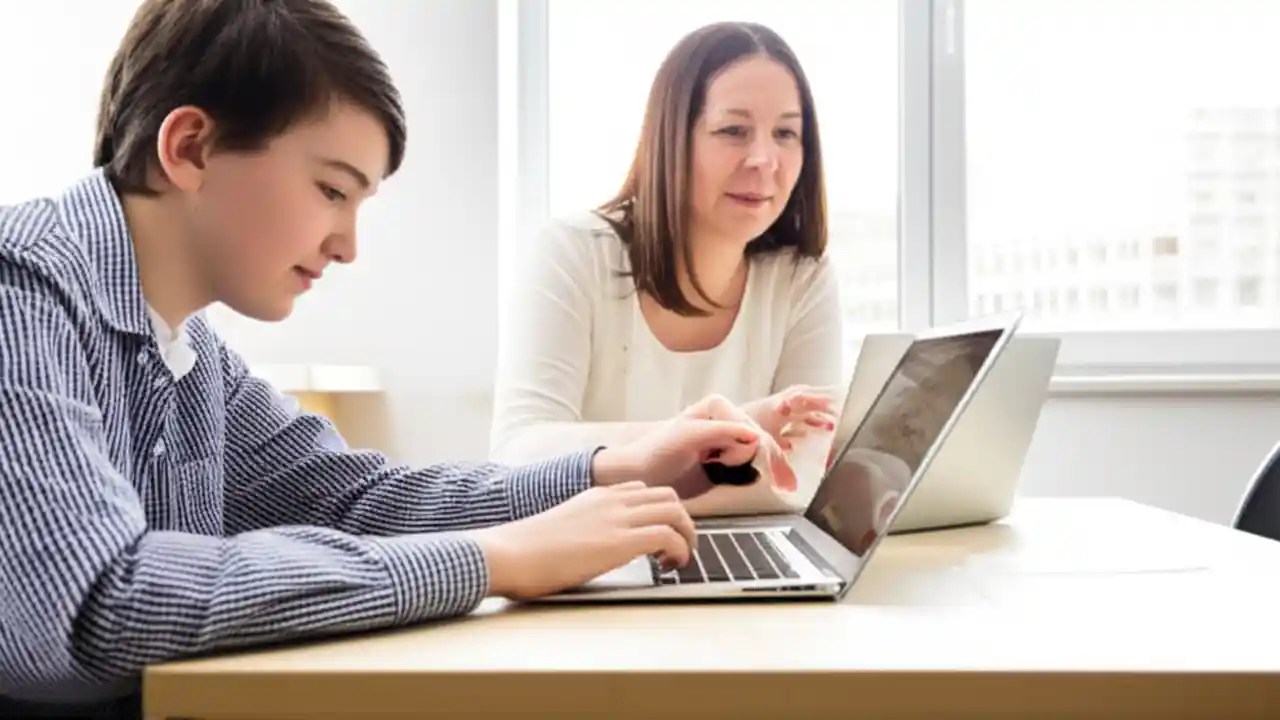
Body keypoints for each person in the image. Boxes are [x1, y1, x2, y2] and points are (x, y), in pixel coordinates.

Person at [0, 2, 789, 715]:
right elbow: (101, 604)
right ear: (192, 147)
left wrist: (614, 471)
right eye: (332, 191)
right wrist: (493, 559)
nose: (346, 245)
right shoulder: (21, 289)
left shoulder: (192, 352)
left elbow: (359, 500)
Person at [491, 22, 844, 516]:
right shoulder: (573, 253)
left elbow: (805, 479)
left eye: (786, 132)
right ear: (671, 139)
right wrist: (732, 433)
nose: (765, 159)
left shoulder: (801, 276)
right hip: (587, 553)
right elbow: (517, 456)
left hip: (744, 558)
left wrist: (641, 473)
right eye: (733, 131)